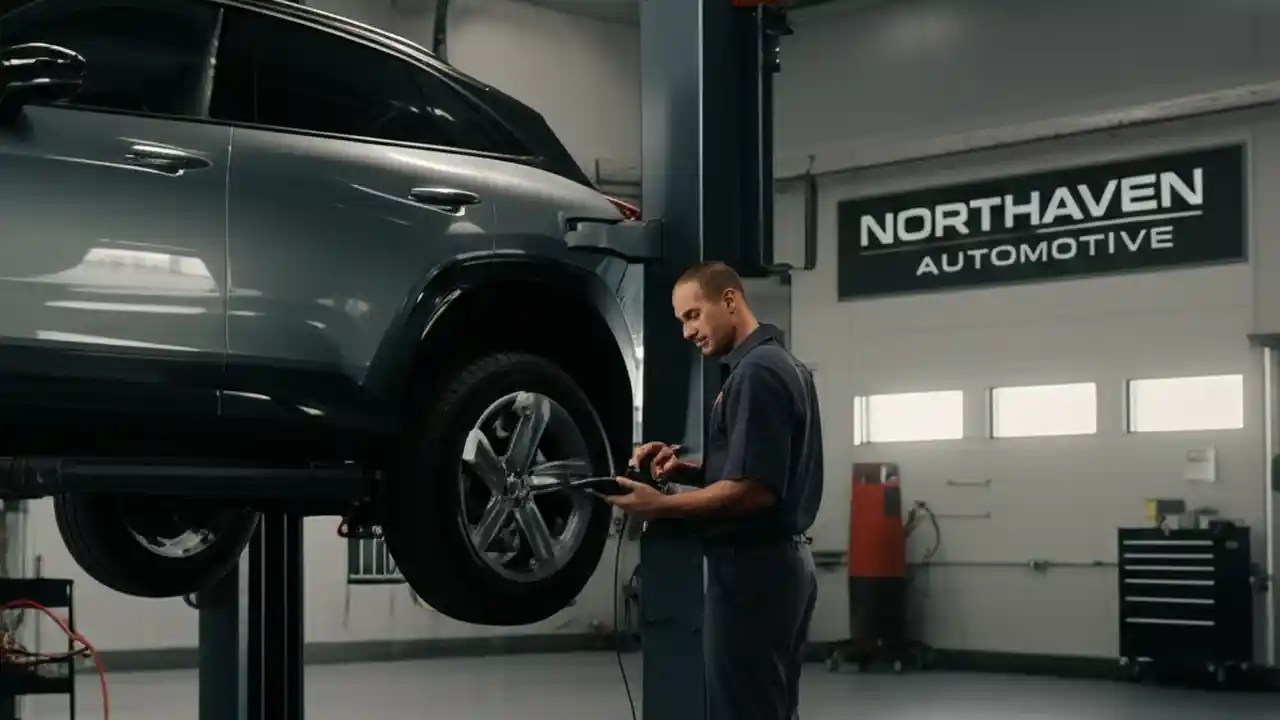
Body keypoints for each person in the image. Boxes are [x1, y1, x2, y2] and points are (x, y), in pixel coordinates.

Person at [604, 261, 823, 720]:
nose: (687, 332)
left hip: (754, 574)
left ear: (729, 300)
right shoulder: (780, 365)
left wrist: (661, 506)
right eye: (682, 321)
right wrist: (685, 471)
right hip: (778, 567)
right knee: (769, 707)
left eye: (693, 315)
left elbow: (755, 491)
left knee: (744, 710)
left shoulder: (757, 372)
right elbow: (758, 469)